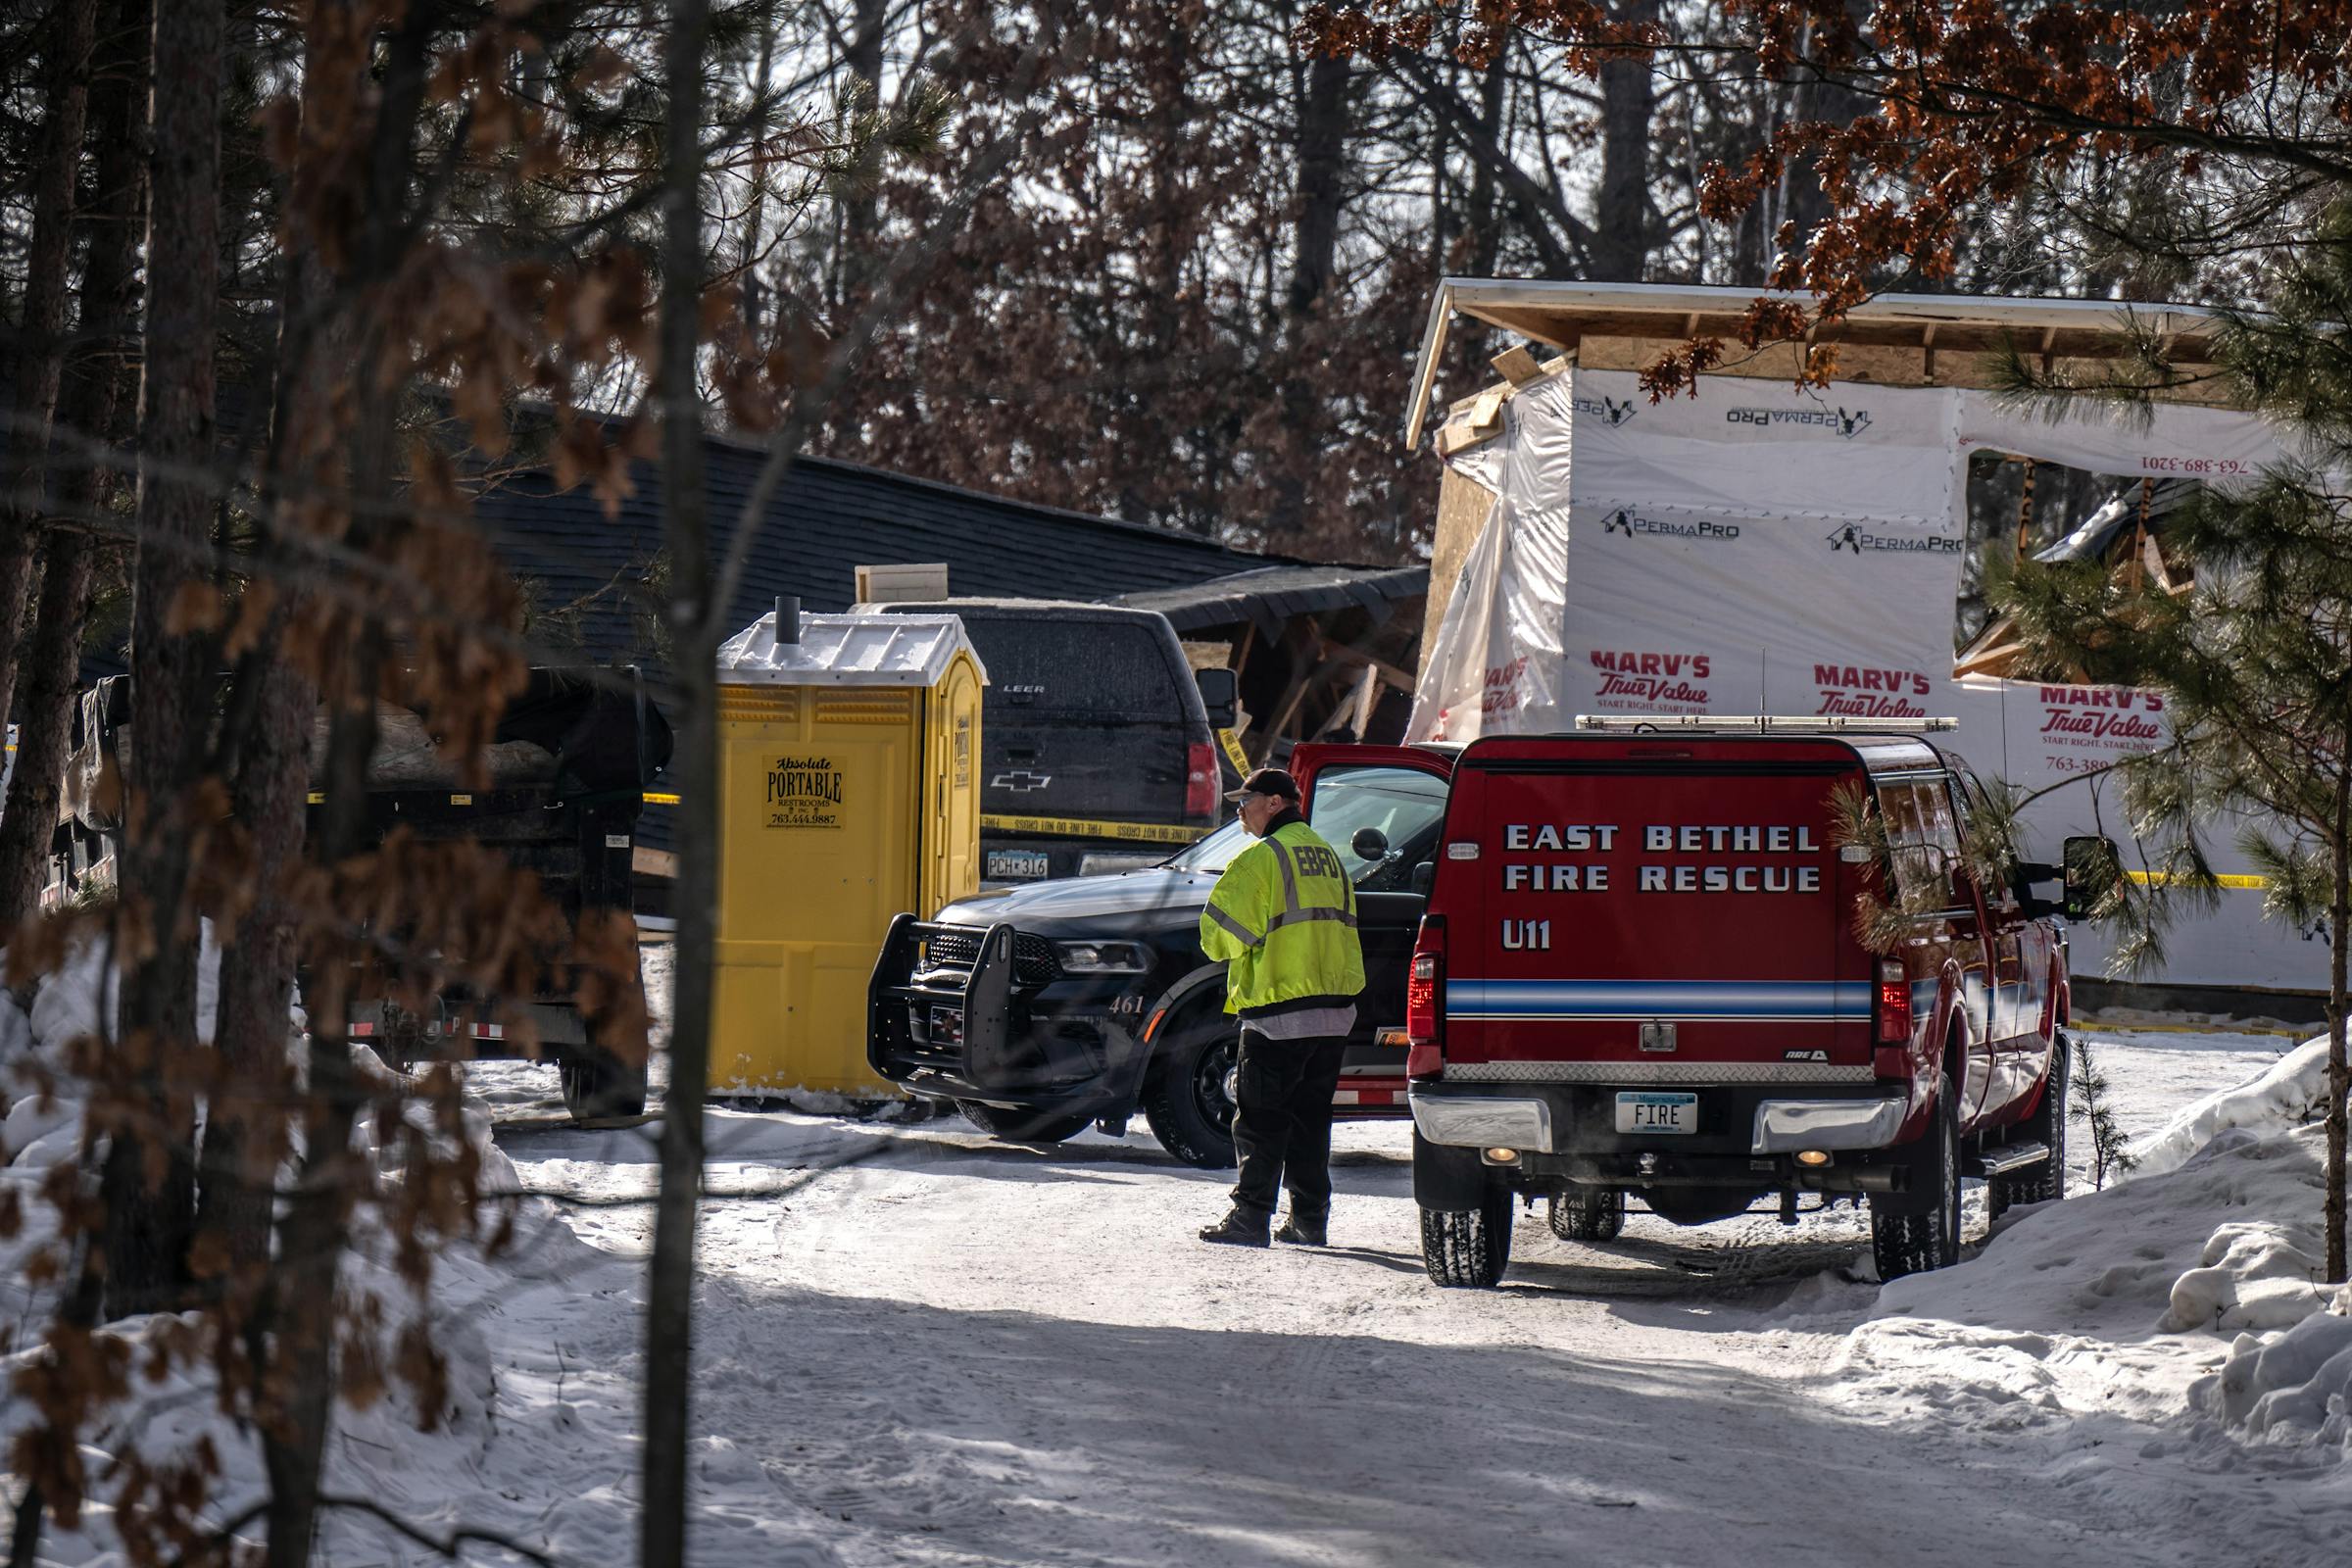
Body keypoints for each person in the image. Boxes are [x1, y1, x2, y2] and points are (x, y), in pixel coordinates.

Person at [1195, 767, 1366, 1248]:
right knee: (1310, 1123)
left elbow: (1218, 939)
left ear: (1274, 803)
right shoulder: (1328, 857)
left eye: (1245, 802)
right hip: (1333, 1014)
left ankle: (1250, 1219)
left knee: (1260, 1122)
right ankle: (1310, 1220)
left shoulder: (1262, 859)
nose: (1239, 812)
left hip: (1278, 1012)